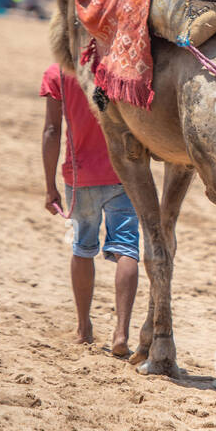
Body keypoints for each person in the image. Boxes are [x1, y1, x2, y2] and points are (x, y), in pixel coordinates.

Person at [40, 65, 140, 354]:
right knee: (127, 249)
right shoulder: (122, 69)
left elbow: (51, 130)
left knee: (83, 247)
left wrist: (50, 186)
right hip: (123, 173)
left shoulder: (57, 73)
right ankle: (121, 334)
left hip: (80, 176)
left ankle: (84, 329)